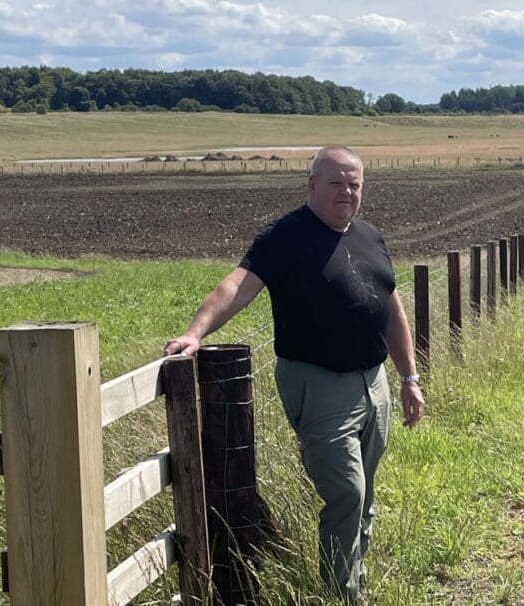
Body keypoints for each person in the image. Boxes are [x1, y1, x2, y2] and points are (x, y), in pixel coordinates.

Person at [164, 145, 424, 603]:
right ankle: (341, 594)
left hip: (375, 385)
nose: (346, 191)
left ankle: (354, 582)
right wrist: (194, 332)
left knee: (365, 494)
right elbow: (238, 285)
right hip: (320, 386)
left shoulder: (369, 236)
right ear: (311, 186)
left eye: (354, 183)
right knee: (346, 491)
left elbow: (391, 307)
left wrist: (409, 378)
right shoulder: (287, 236)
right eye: (336, 182)